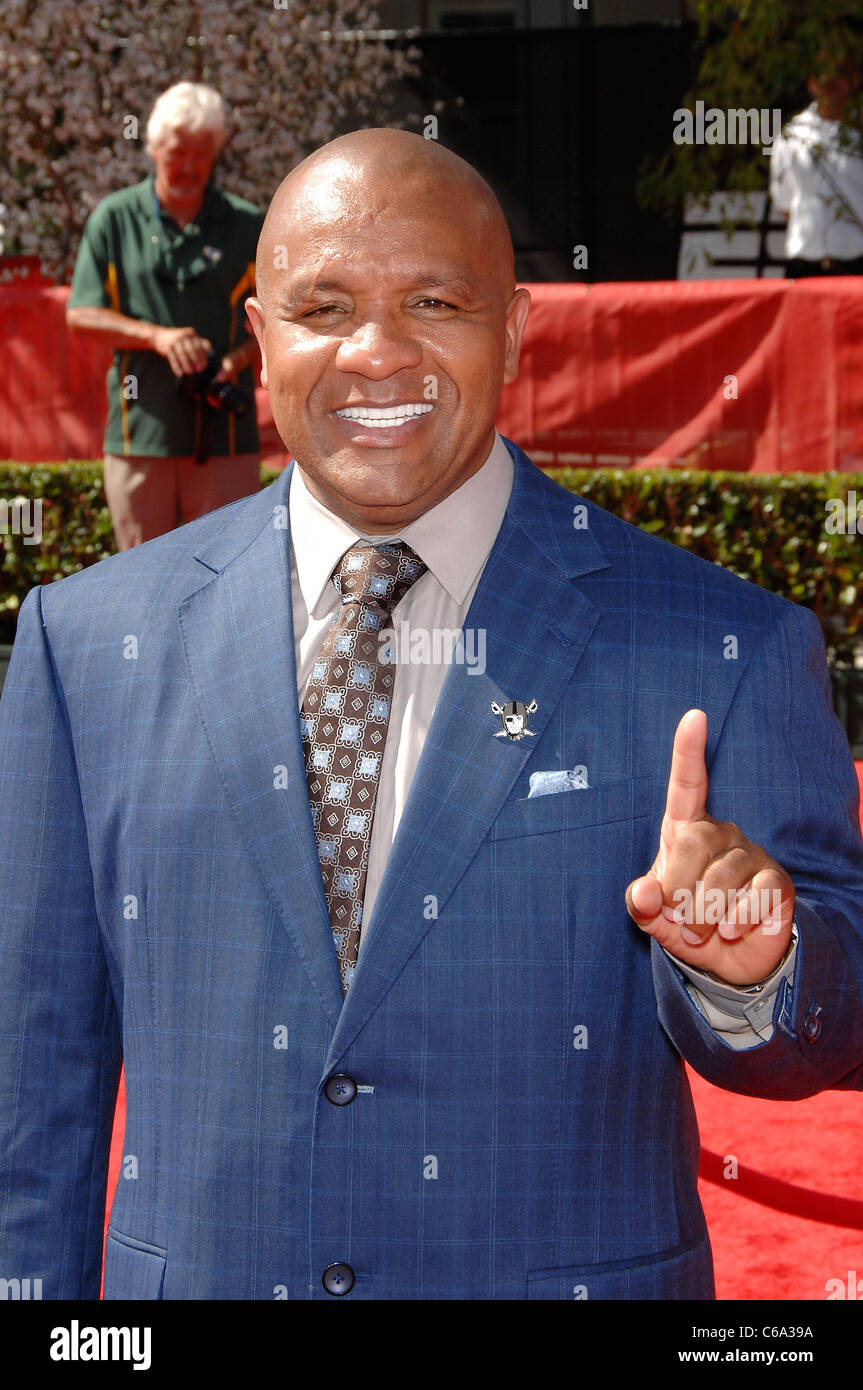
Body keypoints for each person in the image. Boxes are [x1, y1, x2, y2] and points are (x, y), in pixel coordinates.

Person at [2, 128, 863, 1301]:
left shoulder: (723, 645)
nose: (375, 352)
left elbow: (840, 1014)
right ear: (260, 341)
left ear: (512, 327)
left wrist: (757, 968)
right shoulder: (84, 645)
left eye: (432, 300)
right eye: (323, 306)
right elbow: (31, 1077)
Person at [66, 82, 264, 550]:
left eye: (202, 154)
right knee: (143, 587)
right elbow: (81, 315)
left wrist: (236, 360)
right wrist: (157, 337)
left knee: (226, 580)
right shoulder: (113, 219)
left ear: (216, 154)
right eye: (177, 152)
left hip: (226, 438)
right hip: (140, 437)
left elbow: (285, 320)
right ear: (153, 147)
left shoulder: (248, 225)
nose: (190, 167)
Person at [770, 50, 863, 276]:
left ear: (855, 80)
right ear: (811, 84)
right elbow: (785, 205)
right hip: (805, 263)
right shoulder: (791, 135)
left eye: (839, 73)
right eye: (823, 75)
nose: (830, 81)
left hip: (857, 262)